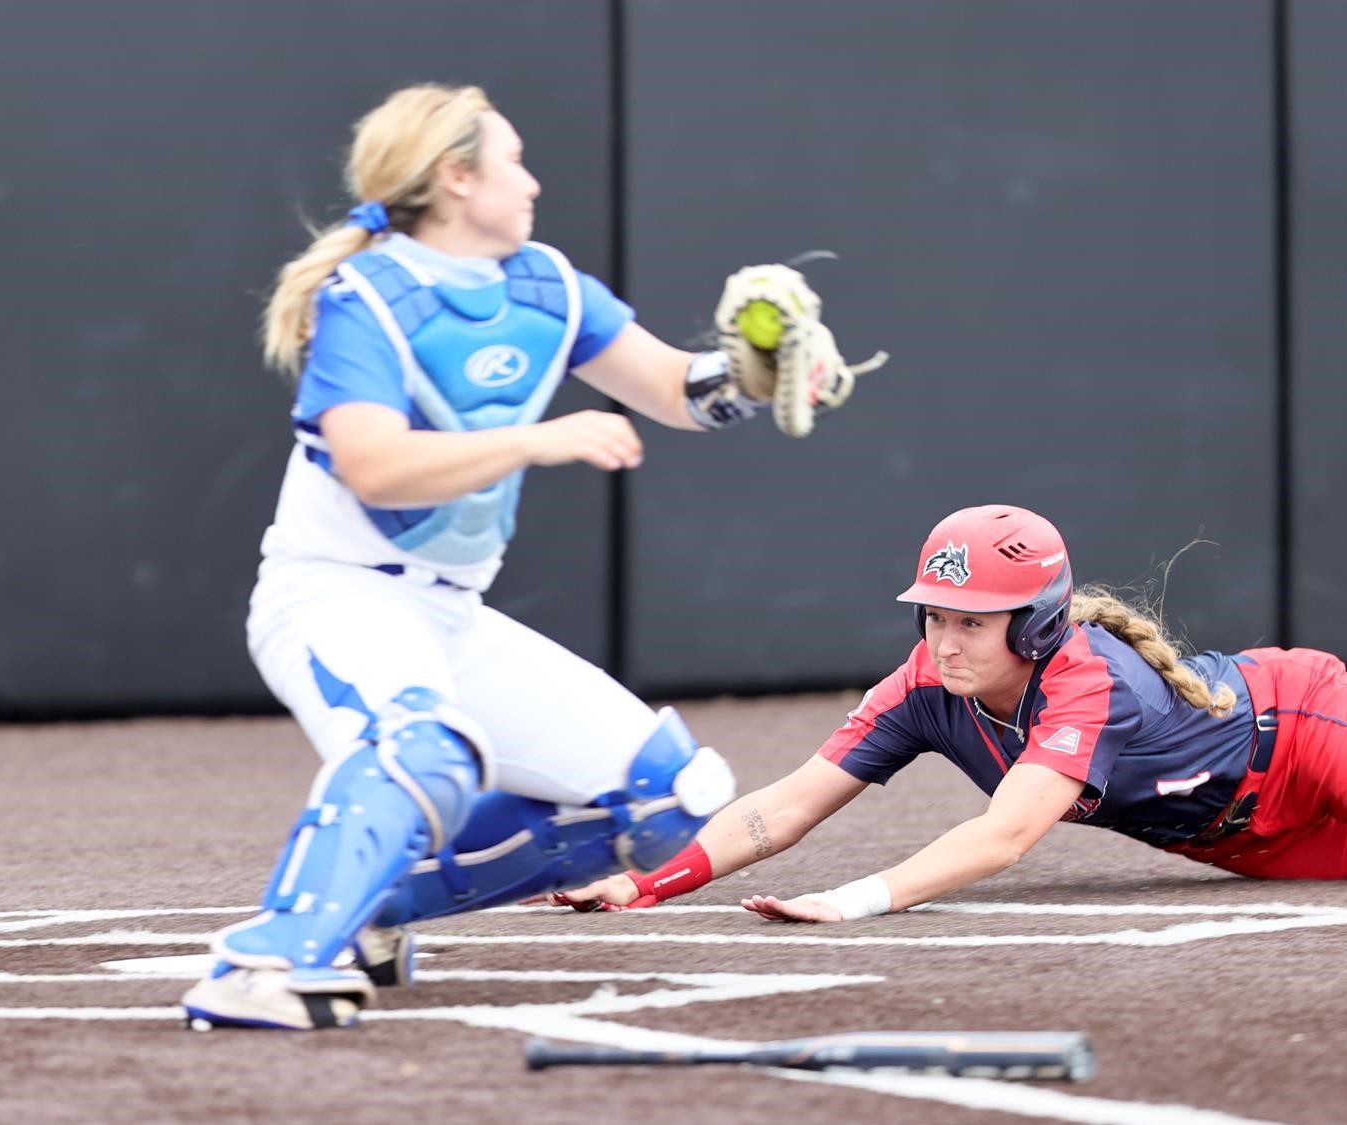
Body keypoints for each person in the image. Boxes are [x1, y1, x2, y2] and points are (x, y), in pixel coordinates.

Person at [181, 83, 876, 1029]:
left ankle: (377, 902)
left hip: (448, 611)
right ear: (457, 177)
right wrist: (534, 441)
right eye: (512, 160)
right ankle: (261, 965)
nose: (533, 179)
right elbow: (373, 465)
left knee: (671, 797)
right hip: (335, 597)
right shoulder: (368, 300)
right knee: (425, 752)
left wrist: (757, 370)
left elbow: (676, 387)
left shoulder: (542, 281)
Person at [535, 504, 1347, 923]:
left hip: (1302, 732)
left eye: (971, 619)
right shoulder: (921, 690)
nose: (943, 639)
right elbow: (786, 805)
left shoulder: (1085, 676)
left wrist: (849, 902)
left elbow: (1003, 837)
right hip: (1245, 838)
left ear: (1036, 623)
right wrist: (649, 881)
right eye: (932, 616)